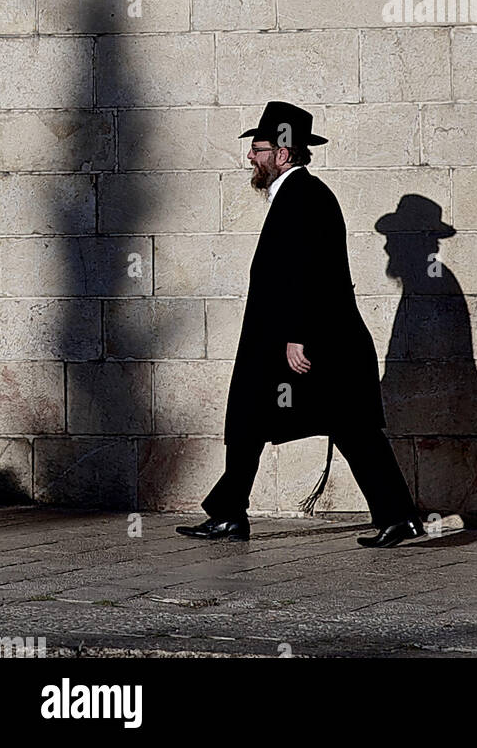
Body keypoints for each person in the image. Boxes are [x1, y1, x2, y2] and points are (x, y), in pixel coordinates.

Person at [176, 100, 425, 549]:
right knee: (250, 421)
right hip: (285, 339)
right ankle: (229, 513)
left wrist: (297, 336)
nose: (251, 157)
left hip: (312, 342)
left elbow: (311, 272)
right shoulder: (295, 195)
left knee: (351, 425)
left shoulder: (305, 196)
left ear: (284, 153)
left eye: (259, 148)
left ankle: (398, 516)